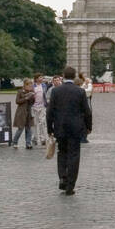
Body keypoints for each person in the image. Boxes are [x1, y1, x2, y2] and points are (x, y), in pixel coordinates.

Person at [47, 66, 92, 195]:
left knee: (62, 153)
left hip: (60, 127)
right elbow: (87, 112)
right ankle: (70, 186)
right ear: (74, 76)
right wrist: (88, 127)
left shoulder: (56, 91)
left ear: (63, 76)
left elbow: (50, 112)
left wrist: (50, 128)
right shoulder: (80, 92)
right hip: (75, 128)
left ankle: (62, 177)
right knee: (74, 155)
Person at [12, 80, 35, 149]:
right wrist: (26, 98)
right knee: (20, 128)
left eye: (31, 86)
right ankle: (15, 142)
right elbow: (17, 101)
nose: (30, 87)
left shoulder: (31, 92)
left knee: (29, 128)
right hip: (21, 112)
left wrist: (32, 97)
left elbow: (32, 103)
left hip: (29, 112)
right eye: (29, 86)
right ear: (25, 85)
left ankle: (28, 143)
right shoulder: (20, 91)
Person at [31, 74, 48, 146]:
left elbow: (45, 95)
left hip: (42, 106)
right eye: (40, 77)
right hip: (34, 106)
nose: (41, 78)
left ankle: (42, 139)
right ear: (36, 79)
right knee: (34, 123)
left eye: (42, 77)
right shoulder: (33, 86)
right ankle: (35, 138)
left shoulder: (44, 85)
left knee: (42, 122)